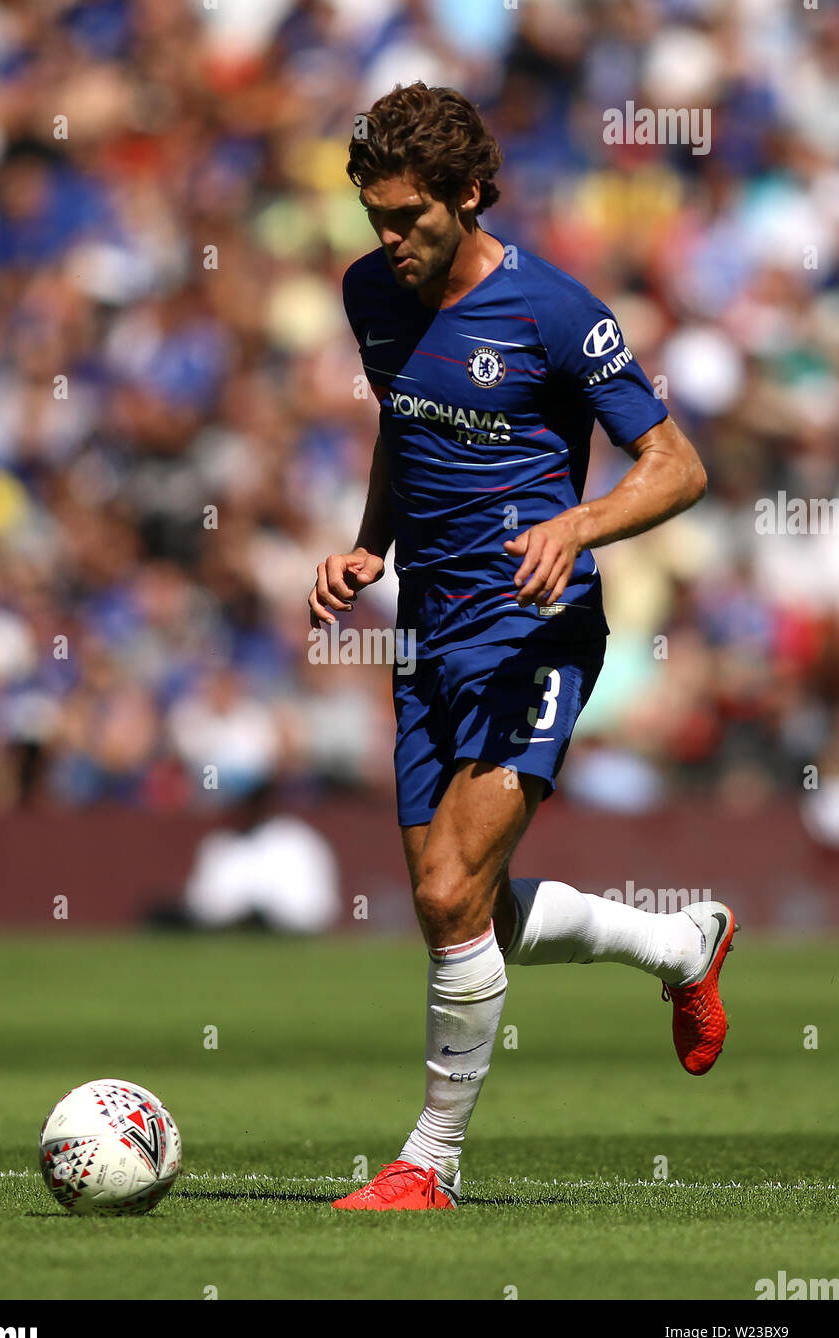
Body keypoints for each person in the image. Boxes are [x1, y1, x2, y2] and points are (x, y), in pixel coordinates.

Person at [309, 83, 737, 1211]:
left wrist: (575, 522)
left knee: (451, 892)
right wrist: (366, 549)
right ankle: (682, 946)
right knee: (466, 908)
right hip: (428, 627)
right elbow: (401, 428)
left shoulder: (552, 311)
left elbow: (676, 466)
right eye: (374, 216)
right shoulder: (369, 292)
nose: (388, 239)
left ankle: (427, 1166)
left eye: (410, 218)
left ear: (468, 196)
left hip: (533, 628)